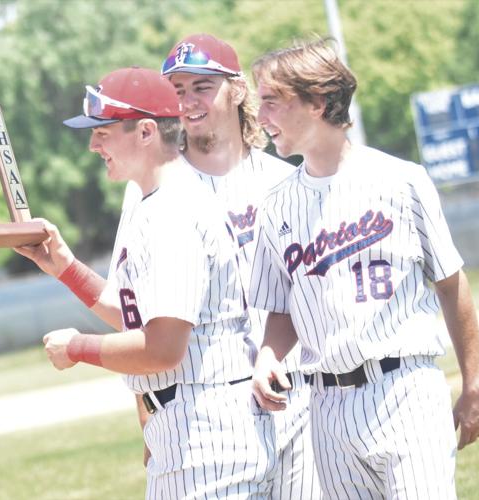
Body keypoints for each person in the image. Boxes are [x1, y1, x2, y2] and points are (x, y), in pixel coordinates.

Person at [16, 67, 274, 498]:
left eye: (103, 131)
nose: (94, 144)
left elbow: (162, 347)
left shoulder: (173, 211)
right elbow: (140, 315)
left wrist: (77, 348)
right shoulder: (158, 202)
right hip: (194, 424)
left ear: (146, 131)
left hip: (206, 430)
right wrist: (66, 269)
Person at [249, 38, 479, 498]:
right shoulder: (276, 204)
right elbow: (282, 308)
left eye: (272, 102)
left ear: (318, 101)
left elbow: (450, 282)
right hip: (326, 406)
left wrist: (473, 380)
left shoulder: (402, 181)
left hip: (404, 389)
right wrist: (268, 356)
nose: (261, 118)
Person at [159, 33, 319, 499]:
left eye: (201, 87)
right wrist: (147, 413)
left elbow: (309, 290)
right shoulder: (158, 190)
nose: (188, 101)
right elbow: (142, 310)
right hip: (208, 411)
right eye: (179, 89)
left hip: (299, 397)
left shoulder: (285, 180)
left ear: (238, 89)